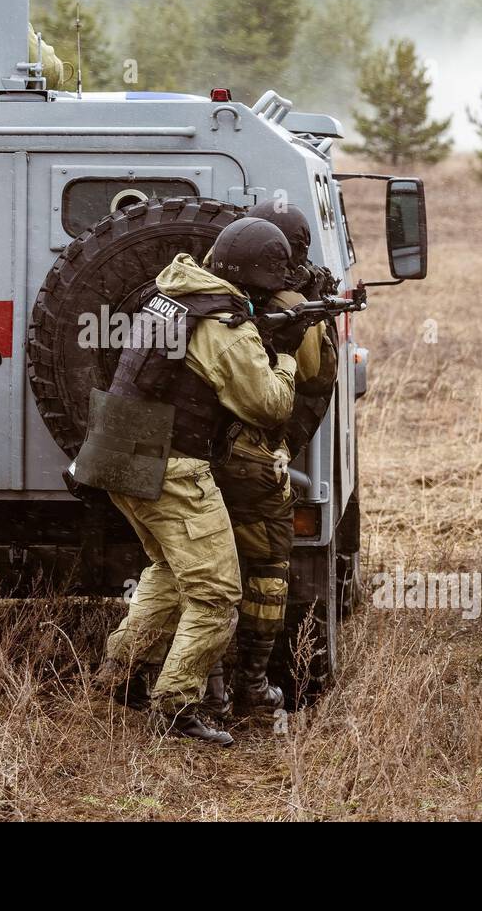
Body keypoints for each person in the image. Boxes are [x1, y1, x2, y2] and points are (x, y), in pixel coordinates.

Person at [86, 218, 300, 745]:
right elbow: (268, 405)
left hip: (117, 452)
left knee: (165, 569)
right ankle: (175, 707)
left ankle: (121, 675)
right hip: (173, 465)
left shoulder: (170, 294)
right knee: (216, 595)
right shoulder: (224, 325)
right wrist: (287, 356)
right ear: (252, 281)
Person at [212, 199, 338, 718]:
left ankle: (207, 685)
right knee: (265, 572)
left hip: (193, 454)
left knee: (200, 576)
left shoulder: (202, 294)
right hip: (256, 459)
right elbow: (309, 380)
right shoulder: (290, 308)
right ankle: (252, 683)